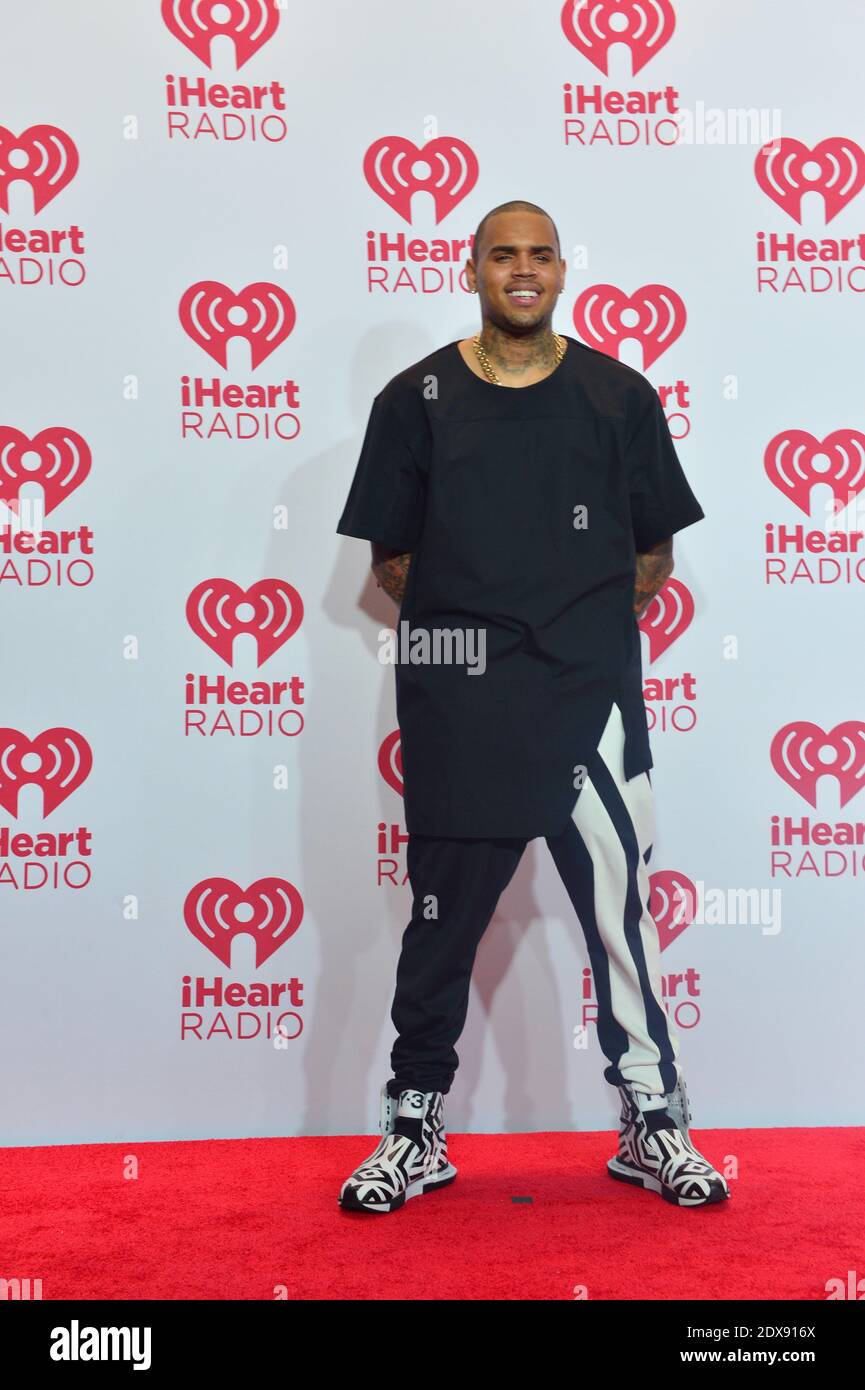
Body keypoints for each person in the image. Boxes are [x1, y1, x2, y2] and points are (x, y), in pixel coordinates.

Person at [334, 200, 730, 1213]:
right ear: (472, 269)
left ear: (562, 269)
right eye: (502, 254)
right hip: (458, 703)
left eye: (539, 255)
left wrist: (572, 635)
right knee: (439, 919)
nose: (522, 269)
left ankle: (649, 1118)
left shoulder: (617, 396)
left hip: (587, 696)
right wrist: (480, 650)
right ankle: (416, 1122)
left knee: (619, 917)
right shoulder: (414, 398)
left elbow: (652, 548)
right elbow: (390, 563)